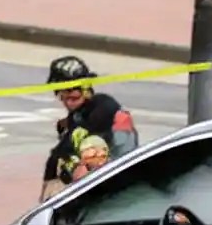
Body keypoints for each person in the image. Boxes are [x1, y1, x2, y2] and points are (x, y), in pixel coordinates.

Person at [39, 55, 138, 200]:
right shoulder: (78, 115)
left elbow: (71, 149)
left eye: (73, 98)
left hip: (116, 177)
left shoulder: (103, 108)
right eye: (63, 98)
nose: (69, 104)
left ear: (86, 91)